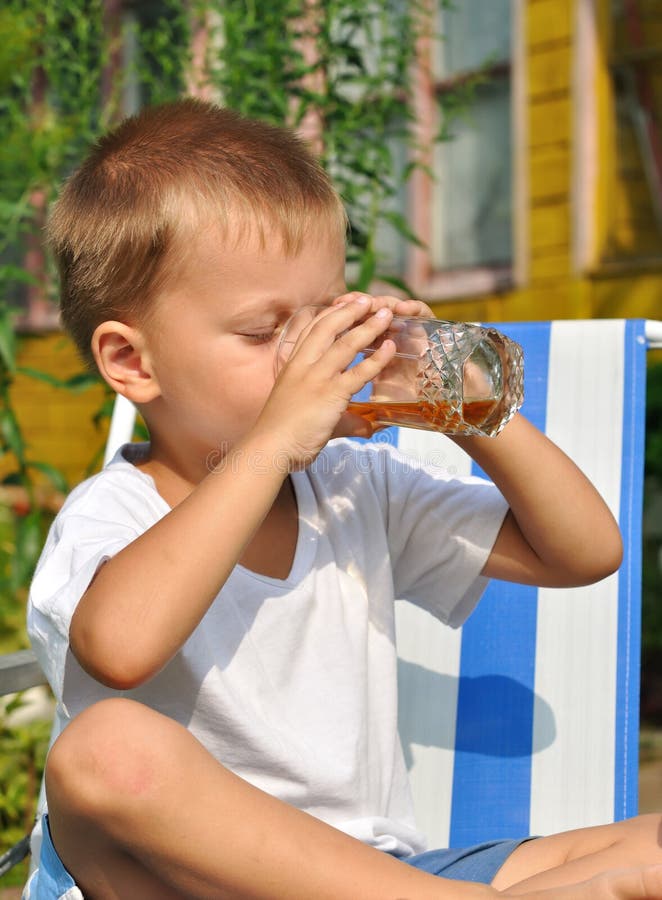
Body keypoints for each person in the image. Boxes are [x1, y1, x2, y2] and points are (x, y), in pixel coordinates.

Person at [24, 98, 662, 900]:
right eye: (264, 333)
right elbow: (118, 649)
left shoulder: (356, 491)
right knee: (102, 752)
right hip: (177, 883)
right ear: (133, 364)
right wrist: (270, 444)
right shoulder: (113, 513)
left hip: (376, 877)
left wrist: (463, 406)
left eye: (325, 313)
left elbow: (584, 551)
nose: (315, 356)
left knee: (652, 846)